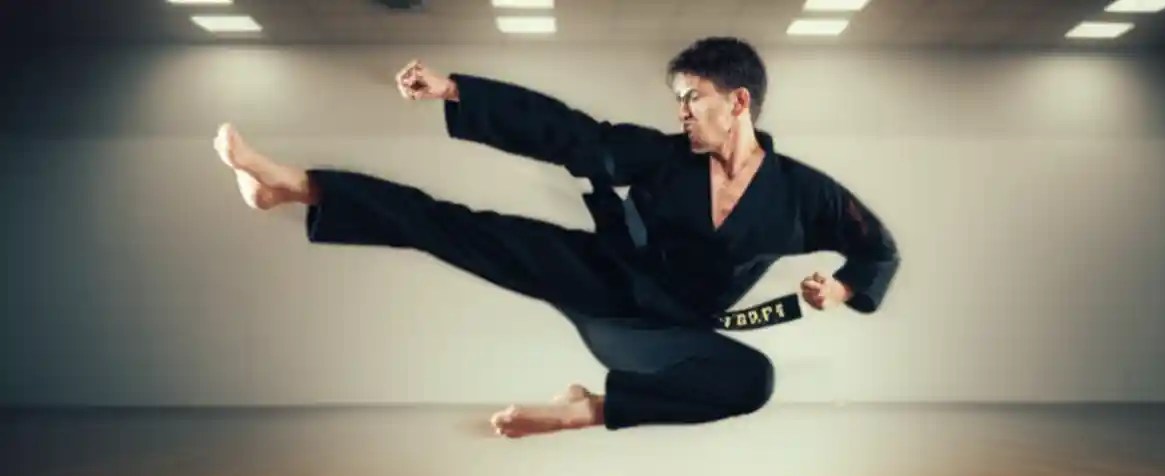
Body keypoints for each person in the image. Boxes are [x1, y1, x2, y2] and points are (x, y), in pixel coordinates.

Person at [213, 37, 900, 439]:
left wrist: (839, 287)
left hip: (660, 331)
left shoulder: (805, 194)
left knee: (754, 379)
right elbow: (570, 135)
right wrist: (455, 91)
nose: (681, 109)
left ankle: (586, 410)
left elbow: (878, 250)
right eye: (679, 98)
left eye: (692, 97)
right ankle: (292, 186)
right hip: (600, 275)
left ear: (738, 101)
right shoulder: (663, 157)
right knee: (457, 229)